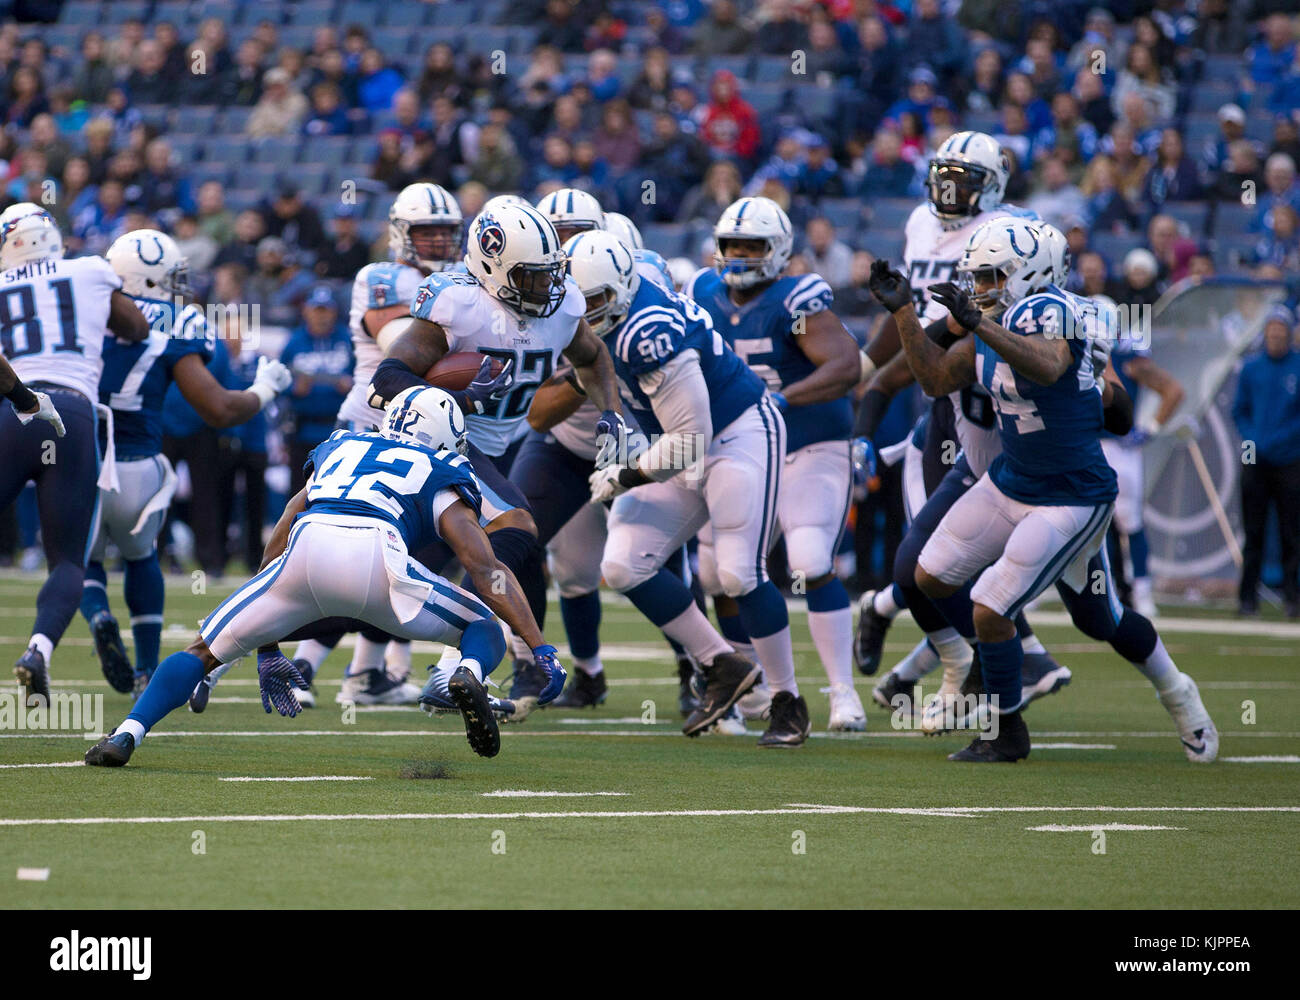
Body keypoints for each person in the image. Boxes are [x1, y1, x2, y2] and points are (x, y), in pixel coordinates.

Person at [867, 218, 1218, 764]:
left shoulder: (1059, 311)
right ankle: (988, 669)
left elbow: (1050, 366)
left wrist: (980, 327)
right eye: (976, 277)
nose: (980, 288)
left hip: (1072, 493)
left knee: (1084, 619)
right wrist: (905, 313)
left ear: (1031, 273)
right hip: (1013, 482)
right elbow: (935, 380)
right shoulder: (993, 320)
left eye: (991, 277)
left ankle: (1168, 695)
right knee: (930, 574)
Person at [85, 385, 567, 767]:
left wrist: (267, 641)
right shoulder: (442, 465)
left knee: (203, 652)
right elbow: (485, 568)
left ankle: (127, 733)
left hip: (306, 551)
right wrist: (541, 647)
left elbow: (283, 528)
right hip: (378, 558)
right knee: (484, 626)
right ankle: (465, 673)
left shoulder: (342, 446)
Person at [367, 202, 623, 717]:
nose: (545, 290)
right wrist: (463, 397)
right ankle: (450, 669)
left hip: (505, 441)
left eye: (550, 275)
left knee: (519, 549)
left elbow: (593, 356)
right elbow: (388, 381)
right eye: (530, 278)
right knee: (515, 527)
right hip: (445, 438)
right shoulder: (459, 304)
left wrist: (611, 414)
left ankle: (523, 665)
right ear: (491, 267)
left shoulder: (563, 305)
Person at [567, 229, 800, 746]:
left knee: (739, 573)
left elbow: (690, 442)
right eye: (576, 304)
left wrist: (625, 474)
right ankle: (721, 664)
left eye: (596, 302)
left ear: (623, 288)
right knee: (623, 565)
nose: (585, 316)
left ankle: (788, 700)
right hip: (675, 436)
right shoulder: (615, 293)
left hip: (736, 431)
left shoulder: (647, 329)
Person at [79, 230, 291, 697]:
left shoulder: (84, 311)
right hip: (142, 462)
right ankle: (146, 671)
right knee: (142, 555)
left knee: (77, 558)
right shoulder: (182, 321)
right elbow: (220, 407)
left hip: (86, 460)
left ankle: (95, 615)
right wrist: (266, 389)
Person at [686, 197, 866, 732]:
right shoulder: (700, 293)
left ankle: (841, 694)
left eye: (753, 246)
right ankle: (753, 692)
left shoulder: (799, 296)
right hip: (741, 449)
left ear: (779, 250)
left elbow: (845, 365)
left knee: (809, 560)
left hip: (807, 443)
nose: (740, 256)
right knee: (719, 574)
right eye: (732, 246)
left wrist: (784, 399)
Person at [0, 204, 149, 704]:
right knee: (68, 560)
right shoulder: (89, 269)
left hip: (13, 407)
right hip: (72, 414)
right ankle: (38, 650)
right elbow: (136, 327)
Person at [1232, 306, 1300, 618]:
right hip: (1255, 459)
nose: (1275, 337)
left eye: (1280, 332)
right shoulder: (1251, 368)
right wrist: (1252, 438)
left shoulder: (1297, 367)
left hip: (1289, 460)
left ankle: (1292, 598)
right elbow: (1239, 411)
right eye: (1271, 332)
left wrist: (1279, 439)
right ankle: (1247, 599)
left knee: (1291, 531)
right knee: (1253, 531)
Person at [280, 284, 353, 497]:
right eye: (316, 310)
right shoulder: (294, 342)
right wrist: (294, 389)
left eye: (326, 310)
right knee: (299, 493)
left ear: (334, 312)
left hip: (340, 431)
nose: (321, 316)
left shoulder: (348, 339)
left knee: (338, 491)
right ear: (306, 311)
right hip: (303, 430)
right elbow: (279, 380)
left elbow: (366, 377)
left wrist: (351, 386)